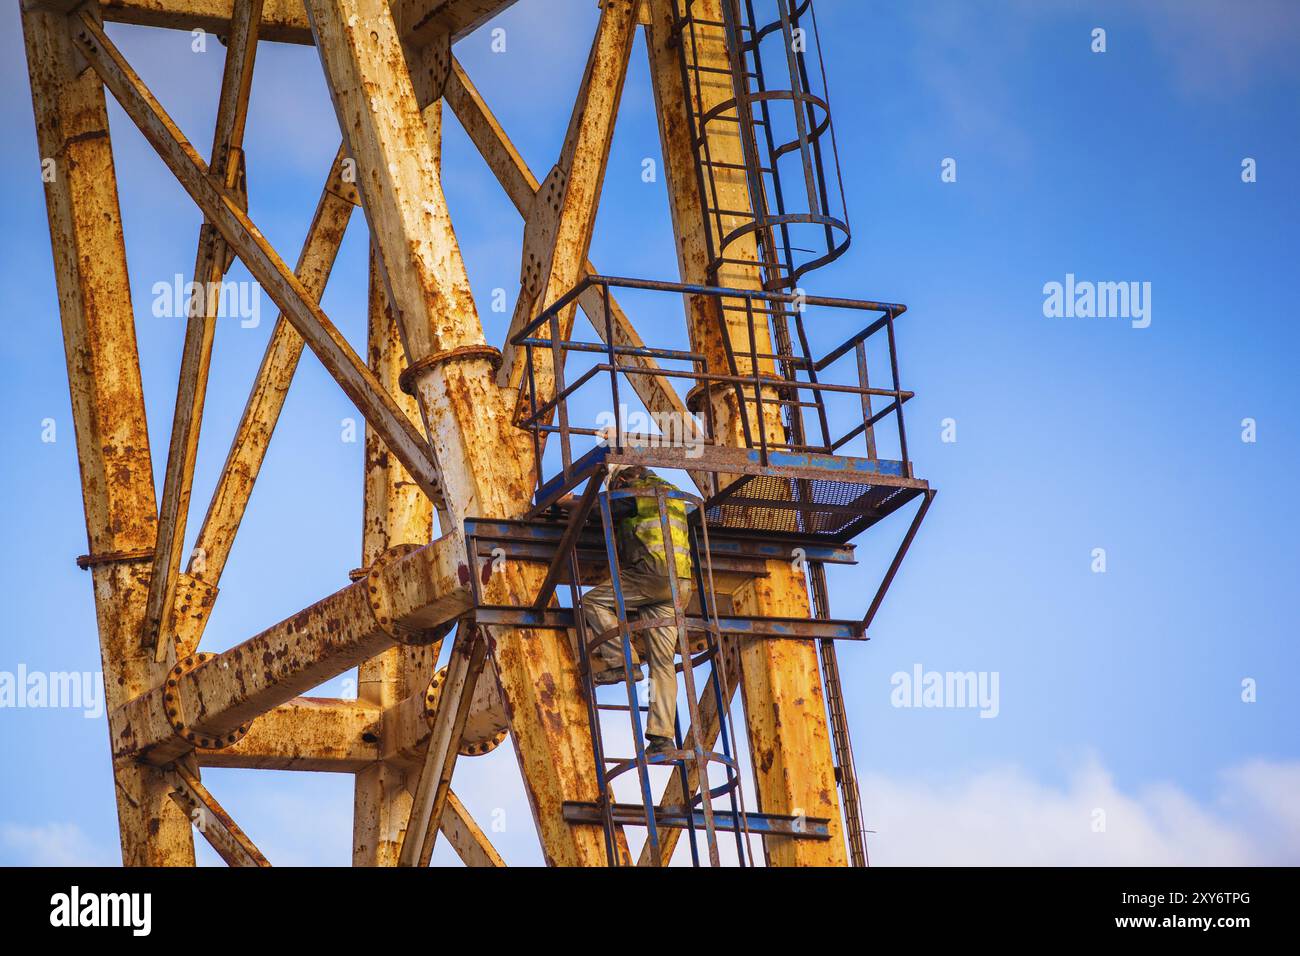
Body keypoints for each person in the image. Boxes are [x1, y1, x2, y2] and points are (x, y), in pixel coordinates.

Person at [580, 465, 694, 758]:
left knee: (593, 602)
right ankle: (662, 738)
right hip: (679, 585)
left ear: (621, 480)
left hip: (651, 576)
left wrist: (575, 504)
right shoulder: (672, 493)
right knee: (663, 664)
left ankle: (623, 662)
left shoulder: (637, 491)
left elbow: (598, 511)